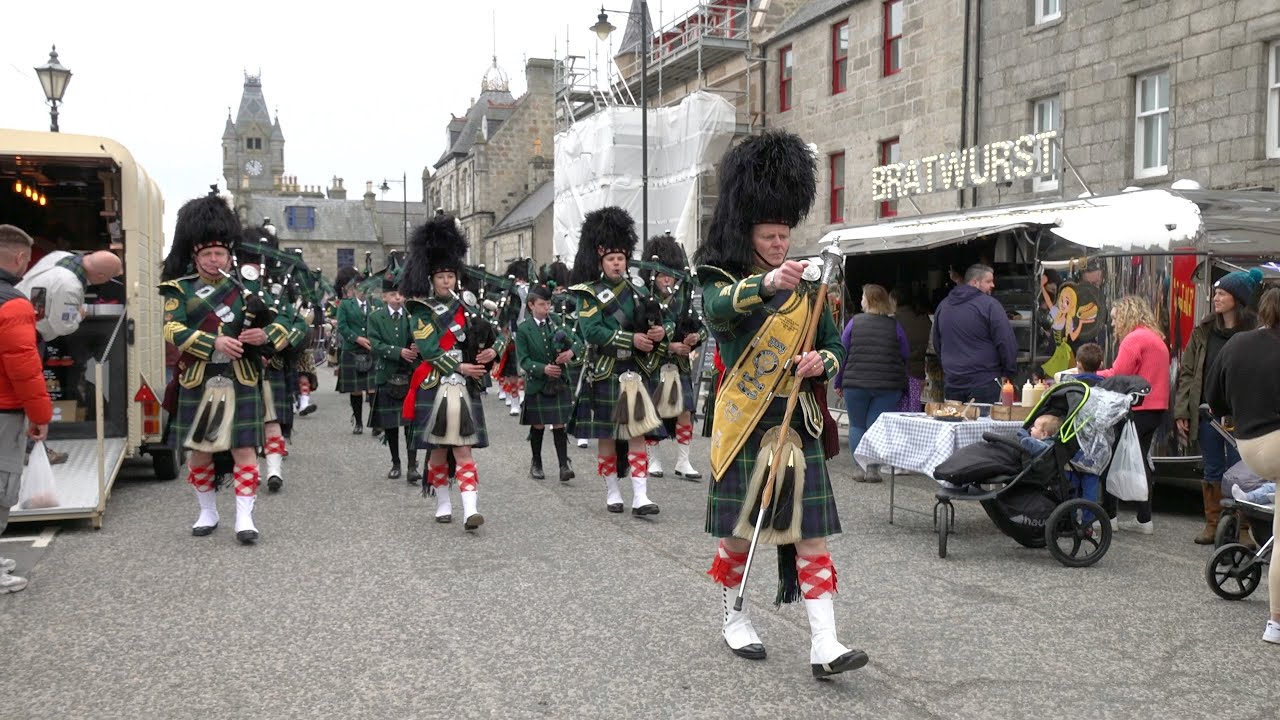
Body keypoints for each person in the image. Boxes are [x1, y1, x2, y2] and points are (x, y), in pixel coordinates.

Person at [694, 130, 867, 678]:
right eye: (769, 236)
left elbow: (837, 344)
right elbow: (719, 311)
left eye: (784, 235)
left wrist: (824, 363)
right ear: (750, 233)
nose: (779, 244)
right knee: (739, 533)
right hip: (747, 422)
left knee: (810, 536)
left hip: (799, 425)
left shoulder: (810, 287)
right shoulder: (723, 277)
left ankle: (825, 642)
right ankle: (734, 619)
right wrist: (767, 283)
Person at [159, 191, 286, 544]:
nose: (214, 260)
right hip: (200, 376)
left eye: (220, 253)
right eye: (207, 254)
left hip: (240, 376)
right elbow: (171, 328)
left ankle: (245, 517)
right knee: (200, 451)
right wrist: (212, 342)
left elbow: (285, 323)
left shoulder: (247, 290)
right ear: (195, 255)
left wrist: (264, 334)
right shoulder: (178, 290)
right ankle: (208, 510)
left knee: (244, 449)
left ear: (230, 256)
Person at [568, 207, 665, 516]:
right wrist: (630, 340)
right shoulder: (589, 293)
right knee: (608, 436)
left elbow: (661, 320)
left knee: (637, 433)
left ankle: (640, 496)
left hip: (634, 372)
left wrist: (661, 332)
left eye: (621, 258)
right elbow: (591, 330)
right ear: (600, 258)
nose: (617, 264)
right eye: (611, 259)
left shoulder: (638, 291)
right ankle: (612, 491)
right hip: (606, 372)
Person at [401, 215, 496, 530]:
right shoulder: (420, 310)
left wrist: (491, 351)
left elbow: (492, 335)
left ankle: (470, 509)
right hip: (436, 384)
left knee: (463, 448)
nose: (447, 281)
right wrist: (459, 365)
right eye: (441, 276)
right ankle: (443, 501)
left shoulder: (468, 307)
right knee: (439, 451)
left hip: (464, 386)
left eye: (451, 276)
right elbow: (428, 349)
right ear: (430, 278)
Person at [1204, 285, 1280, 645]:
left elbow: (1214, 398)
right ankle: (1276, 622)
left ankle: (1277, 624)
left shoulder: (1237, 344)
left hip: (1248, 445)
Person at [1174, 268, 1262, 544]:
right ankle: (1212, 524)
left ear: (1236, 298)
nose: (1215, 298)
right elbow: (1188, 372)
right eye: (1215, 293)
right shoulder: (1204, 330)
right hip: (1207, 411)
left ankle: (1244, 528)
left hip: (1242, 412)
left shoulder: (1255, 332)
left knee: (1242, 470)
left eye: (1221, 293)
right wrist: (1182, 410)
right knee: (1212, 468)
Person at [16, 245, 123, 466]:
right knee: (29, 390)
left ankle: (24, 446)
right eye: (111, 278)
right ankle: (30, 448)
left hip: (14, 319)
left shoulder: (60, 257)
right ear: (101, 276)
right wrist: (79, 314)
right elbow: (62, 325)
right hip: (28, 335)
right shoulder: (71, 286)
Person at [0, 225, 53, 594]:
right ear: (20, 259)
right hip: (4, 411)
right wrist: (41, 415)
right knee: (2, 485)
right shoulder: (14, 304)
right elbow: (23, 365)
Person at [1097, 295, 1171, 534]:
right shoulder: (1156, 338)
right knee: (1140, 462)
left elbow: (1118, 375)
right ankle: (1144, 519)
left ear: (1127, 315)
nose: (1113, 324)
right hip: (1156, 409)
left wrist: (1087, 375)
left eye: (1116, 318)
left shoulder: (1133, 339)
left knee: (1111, 459)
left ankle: (1109, 516)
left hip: (1135, 409)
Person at [641, 232, 705, 481]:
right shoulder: (645, 301)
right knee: (653, 412)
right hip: (654, 365)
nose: (667, 279)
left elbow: (702, 327)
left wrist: (695, 338)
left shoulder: (683, 301)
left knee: (685, 410)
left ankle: (683, 461)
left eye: (670, 274)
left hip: (679, 367)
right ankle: (653, 459)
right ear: (652, 276)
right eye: (661, 274)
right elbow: (642, 338)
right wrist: (670, 347)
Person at [841, 284, 908, 482]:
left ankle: (860, 468)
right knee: (876, 427)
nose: (860, 300)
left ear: (869, 300)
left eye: (862, 296)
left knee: (857, 426)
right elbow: (904, 354)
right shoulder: (895, 326)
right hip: (888, 385)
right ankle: (873, 470)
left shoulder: (854, 322)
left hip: (855, 384)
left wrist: (838, 380)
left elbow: (842, 353)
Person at [515, 283, 579, 482]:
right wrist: (543, 369)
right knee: (539, 424)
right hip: (538, 383)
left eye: (548, 304)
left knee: (559, 423)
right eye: (542, 304)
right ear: (531, 305)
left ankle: (563, 465)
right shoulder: (524, 329)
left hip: (558, 381)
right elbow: (524, 361)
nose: (546, 308)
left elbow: (577, 341)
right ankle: (536, 463)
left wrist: (571, 352)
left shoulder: (557, 322)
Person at [931, 264, 1018, 404]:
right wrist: (1008, 372)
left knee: (955, 423)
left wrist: (950, 367)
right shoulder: (990, 305)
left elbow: (937, 342)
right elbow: (1006, 341)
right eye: (988, 281)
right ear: (974, 282)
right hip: (984, 380)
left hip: (953, 380)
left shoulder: (943, 305)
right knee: (984, 424)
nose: (993, 285)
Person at [366, 276, 420, 483]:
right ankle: (396, 462)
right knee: (390, 425)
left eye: (401, 295)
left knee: (410, 423)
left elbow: (419, 337)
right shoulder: (376, 317)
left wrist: (416, 347)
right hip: (387, 374)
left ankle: (412, 466)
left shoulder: (412, 316)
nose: (398, 298)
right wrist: (399, 352)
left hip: (409, 375)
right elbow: (375, 344)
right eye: (393, 295)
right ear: (384, 297)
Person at [335, 267, 376, 434]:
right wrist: (357, 338)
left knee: (373, 387)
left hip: (372, 350)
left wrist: (374, 341)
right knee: (357, 389)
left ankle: (375, 423)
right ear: (353, 289)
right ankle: (358, 422)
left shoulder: (376, 304)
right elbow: (342, 327)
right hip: (352, 350)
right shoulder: (345, 305)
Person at [891, 287, 931, 413]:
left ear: (895, 301)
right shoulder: (925, 319)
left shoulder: (893, 321)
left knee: (897, 412)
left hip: (898, 373)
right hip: (918, 372)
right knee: (913, 410)